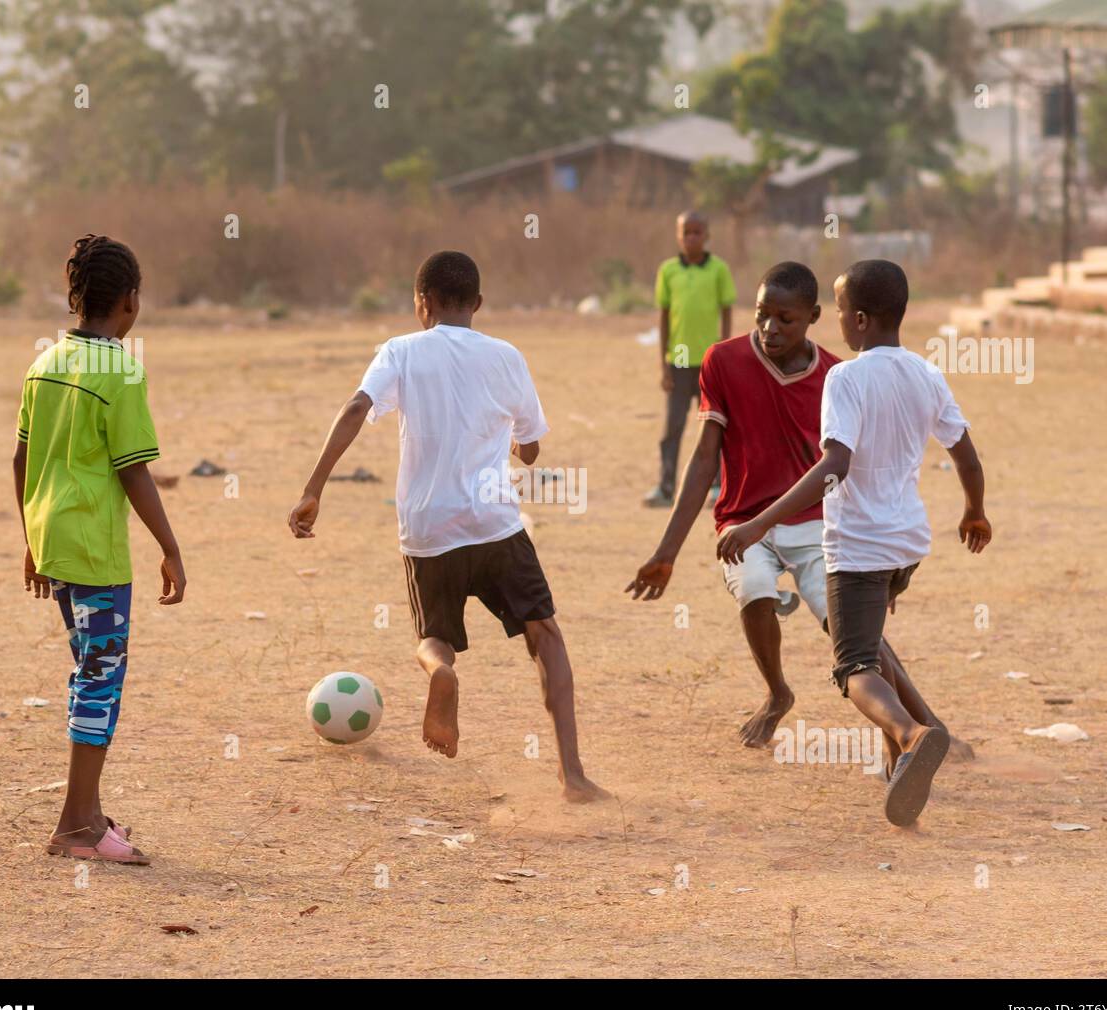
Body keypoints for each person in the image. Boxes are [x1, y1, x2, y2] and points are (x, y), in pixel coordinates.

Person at [288, 251, 608, 803]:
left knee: (434, 637)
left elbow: (356, 407)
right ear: (478, 304)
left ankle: (442, 671)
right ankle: (572, 774)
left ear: (421, 305)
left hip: (430, 526)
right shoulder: (507, 355)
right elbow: (530, 450)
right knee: (544, 635)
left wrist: (313, 487)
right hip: (495, 523)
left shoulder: (402, 351)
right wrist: (512, 441)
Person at [716, 260, 991, 826]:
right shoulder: (925, 374)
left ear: (860, 319)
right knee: (871, 642)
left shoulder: (846, 378)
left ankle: (911, 736)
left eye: (839, 311)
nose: (836, 321)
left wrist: (759, 522)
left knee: (856, 668)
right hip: (906, 546)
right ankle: (899, 775)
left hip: (858, 546)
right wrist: (974, 512)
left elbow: (834, 466)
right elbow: (964, 451)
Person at [14, 234, 186, 865]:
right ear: (131, 301)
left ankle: (87, 814)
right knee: (100, 677)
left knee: (89, 668)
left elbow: (21, 456)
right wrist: (170, 547)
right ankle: (75, 827)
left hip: (54, 541)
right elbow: (133, 470)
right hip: (94, 551)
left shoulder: (45, 361)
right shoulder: (120, 370)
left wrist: (31, 539)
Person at [629, 262, 838, 747]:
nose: (770, 328)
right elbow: (704, 459)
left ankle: (913, 723)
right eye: (763, 313)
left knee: (845, 623)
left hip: (813, 521)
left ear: (813, 316)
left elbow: (847, 467)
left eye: (786, 319)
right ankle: (777, 693)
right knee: (755, 591)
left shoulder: (836, 375)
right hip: (743, 523)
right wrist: (667, 552)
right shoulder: (723, 361)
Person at [645, 210, 736, 508]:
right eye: (686, 232)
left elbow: (726, 310)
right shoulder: (669, 270)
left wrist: (723, 354)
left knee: (712, 427)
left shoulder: (718, 270)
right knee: (672, 427)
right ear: (678, 235)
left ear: (707, 235)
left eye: (697, 232)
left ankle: (716, 487)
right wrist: (663, 365)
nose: (691, 237)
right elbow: (664, 316)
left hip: (710, 363)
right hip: (680, 361)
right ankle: (666, 487)